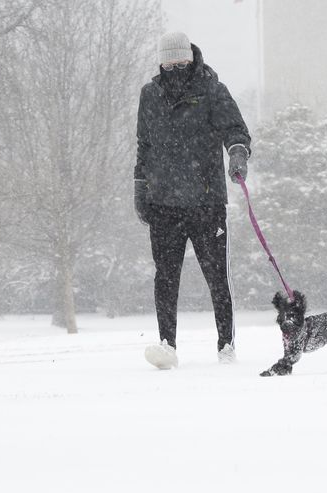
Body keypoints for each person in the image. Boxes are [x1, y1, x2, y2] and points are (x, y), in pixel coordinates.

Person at [134, 31, 251, 370]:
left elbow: (236, 129)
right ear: (161, 63)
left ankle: (226, 346)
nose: (175, 70)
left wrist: (238, 154)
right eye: (168, 64)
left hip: (206, 202)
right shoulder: (150, 95)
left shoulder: (212, 90)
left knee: (217, 279)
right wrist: (140, 187)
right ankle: (166, 345)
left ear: (191, 59)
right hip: (164, 205)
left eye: (181, 63)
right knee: (165, 278)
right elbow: (144, 145)